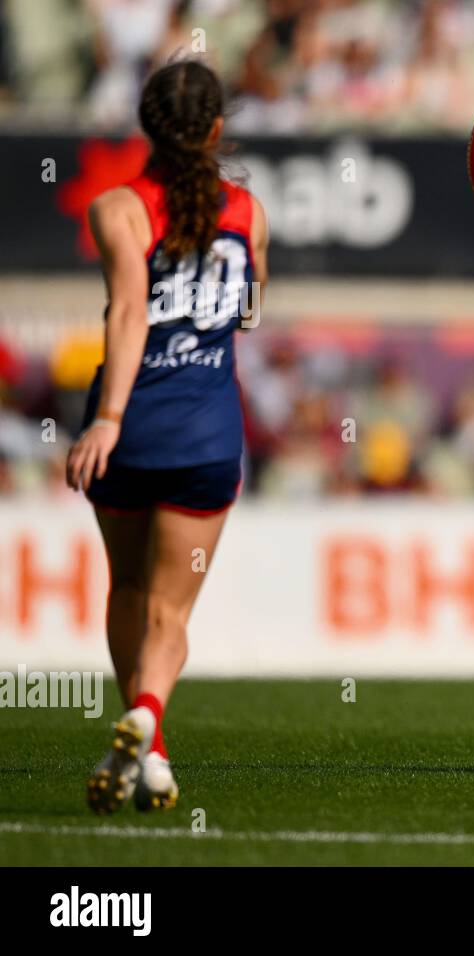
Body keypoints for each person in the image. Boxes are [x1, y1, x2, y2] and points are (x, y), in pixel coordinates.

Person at [66, 60, 268, 813]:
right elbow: (249, 310)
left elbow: (126, 312)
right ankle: (148, 718)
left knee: (126, 588)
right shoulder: (247, 210)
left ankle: (148, 750)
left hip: (132, 433)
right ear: (217, 130)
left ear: (145, 126)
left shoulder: (116, 207)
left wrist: (109, 419)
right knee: (172, 613)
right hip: (208, 435)